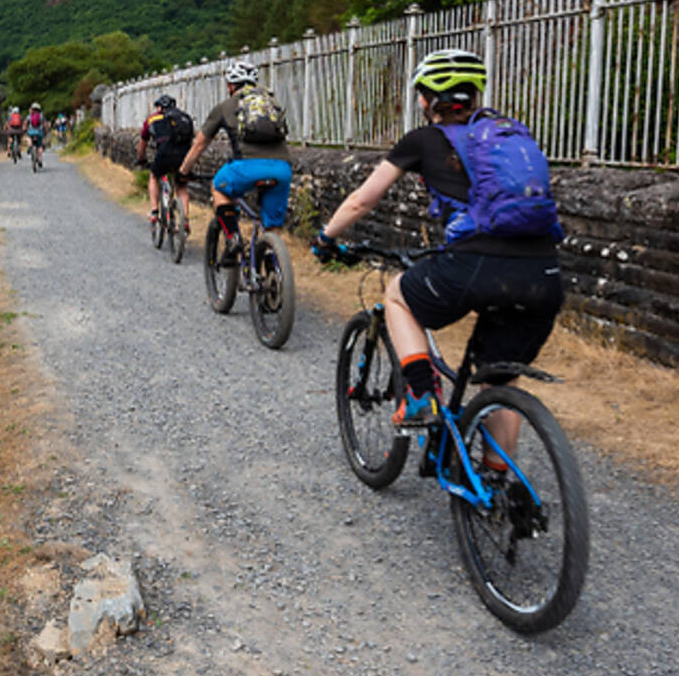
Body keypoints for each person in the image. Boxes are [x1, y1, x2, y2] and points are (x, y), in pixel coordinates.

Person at [309, 47, 564, 433]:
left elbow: (363, 200)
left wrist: (325, 238)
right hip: (543, 271)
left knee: (397, 296)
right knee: (501, 382)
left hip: (476, 262)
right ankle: (496, 471)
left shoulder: (422, 140)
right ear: (474, 94)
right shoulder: (507, 136)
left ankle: (420, 395)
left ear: (426, 100)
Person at [178, 60, 291, 248]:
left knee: (219, 188)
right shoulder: (272, 103)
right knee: (272, 227)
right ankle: (273, 259)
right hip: (282, 168)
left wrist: (183, 171)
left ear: (230, 85)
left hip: (246, 167)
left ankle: (232, 238)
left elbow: (199, 145)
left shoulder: (225, 106)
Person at [137, 93, 195, 231]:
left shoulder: (152, 119)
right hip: (184, 154)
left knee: (153, 176)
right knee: (181, 185)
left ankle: (154, 211)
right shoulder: (183, 117)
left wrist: (141, 159)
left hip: (164, 152)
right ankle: (185, 220)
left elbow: (142, 143)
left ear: (159, 107)